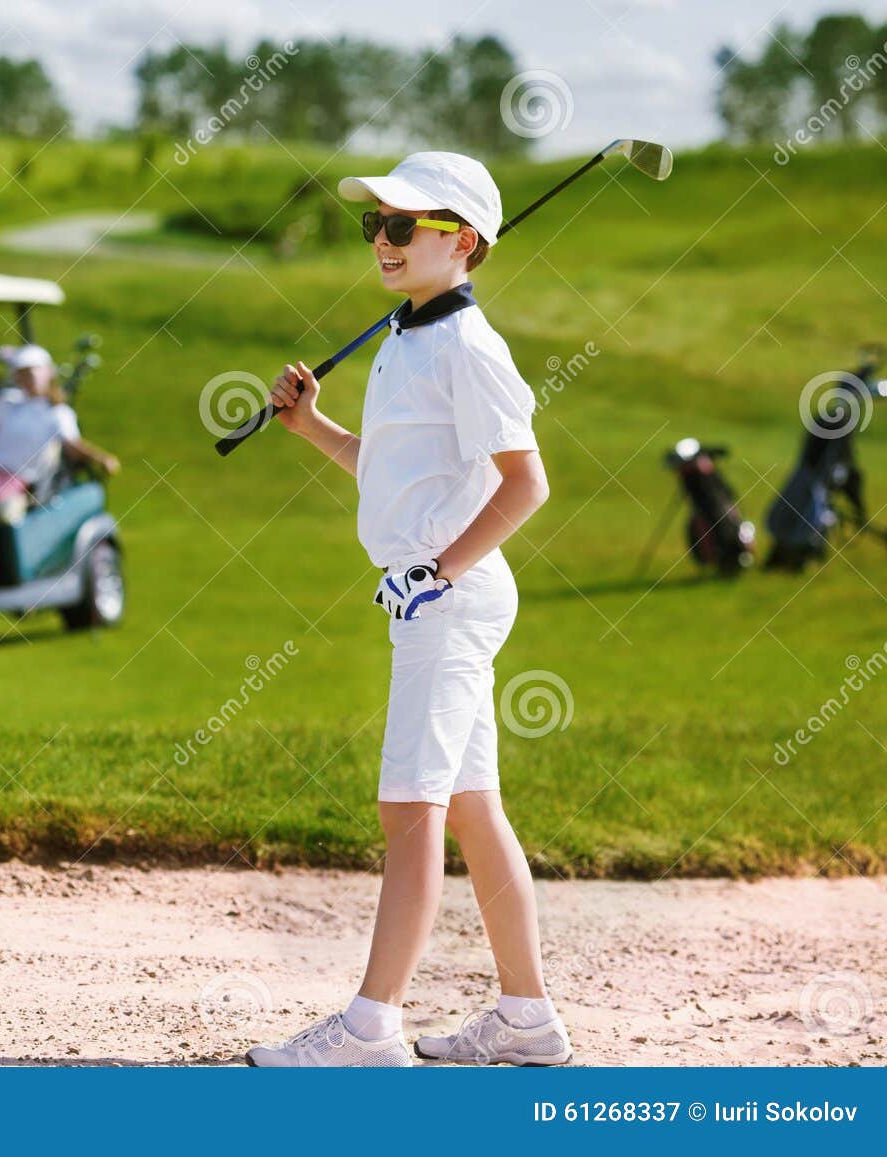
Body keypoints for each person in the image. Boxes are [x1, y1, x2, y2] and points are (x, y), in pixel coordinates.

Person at [245, 152, 569, 1068]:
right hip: (431, 594)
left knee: (409, 808)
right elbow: (395, 475)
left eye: (401, 226)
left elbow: (528, 484)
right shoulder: (408, 336)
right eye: (373, 225)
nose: (381, 242)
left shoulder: (469, 348)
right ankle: (526, 1017)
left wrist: (437, 568)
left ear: (461, 241)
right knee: (467, 804)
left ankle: (370, 1026)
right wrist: (315, 430)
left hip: (447, 601)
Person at [0, 344, 118, 531]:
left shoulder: (57, 413)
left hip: (11, 481)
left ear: (48, 372)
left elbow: (72, 445)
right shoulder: (9, 402)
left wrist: (101, 458)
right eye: (22, 372)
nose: (28, 377)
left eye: (32, 371)